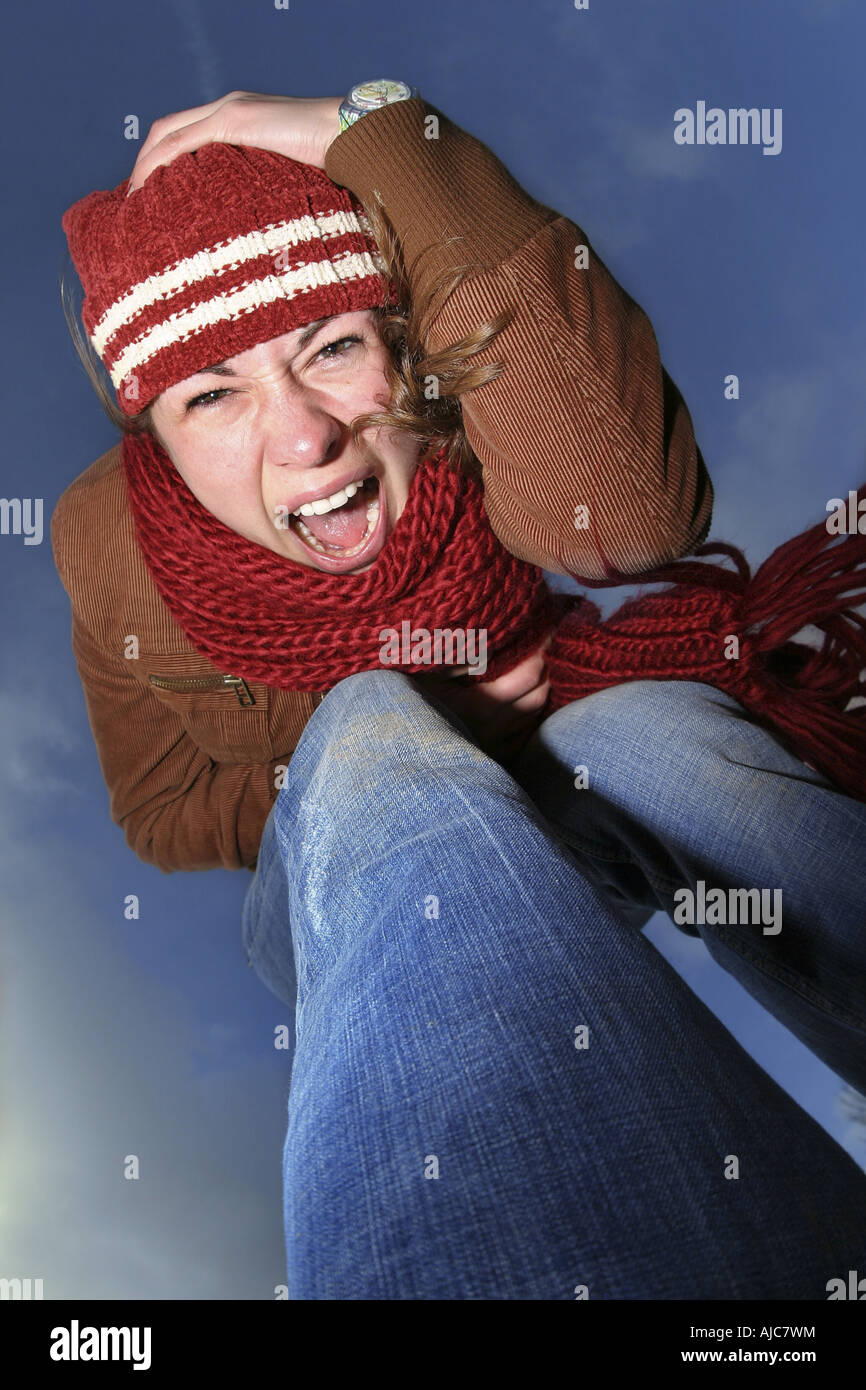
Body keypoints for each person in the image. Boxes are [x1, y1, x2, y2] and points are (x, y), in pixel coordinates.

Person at [55, 85, 866, 1299]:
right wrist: (438, 719)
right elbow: (161, 809)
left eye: (330, 348)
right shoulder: (104, 542)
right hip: (358, 874)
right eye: (210, 393)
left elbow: (635, 526)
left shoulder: (463, 416)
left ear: (400, 354)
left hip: (577, 752)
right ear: (154, 438)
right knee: (367, 722)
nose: (306, 441)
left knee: (647, 728)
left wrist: (375, 125)